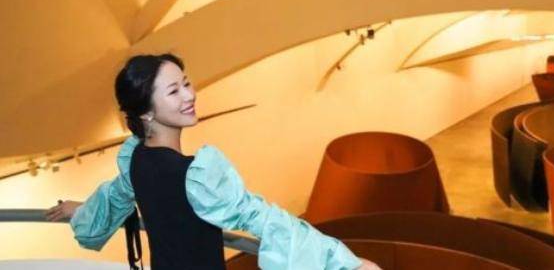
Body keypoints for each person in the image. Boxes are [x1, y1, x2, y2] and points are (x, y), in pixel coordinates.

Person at [46, 53, 380, 270]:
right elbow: (261, 217)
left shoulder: (137, 158)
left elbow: (118, 193)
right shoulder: (193, 176)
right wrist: (345, 263)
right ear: (146, 111)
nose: (189, 95)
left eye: (186, 83)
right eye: (174, 91)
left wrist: (82, 209)